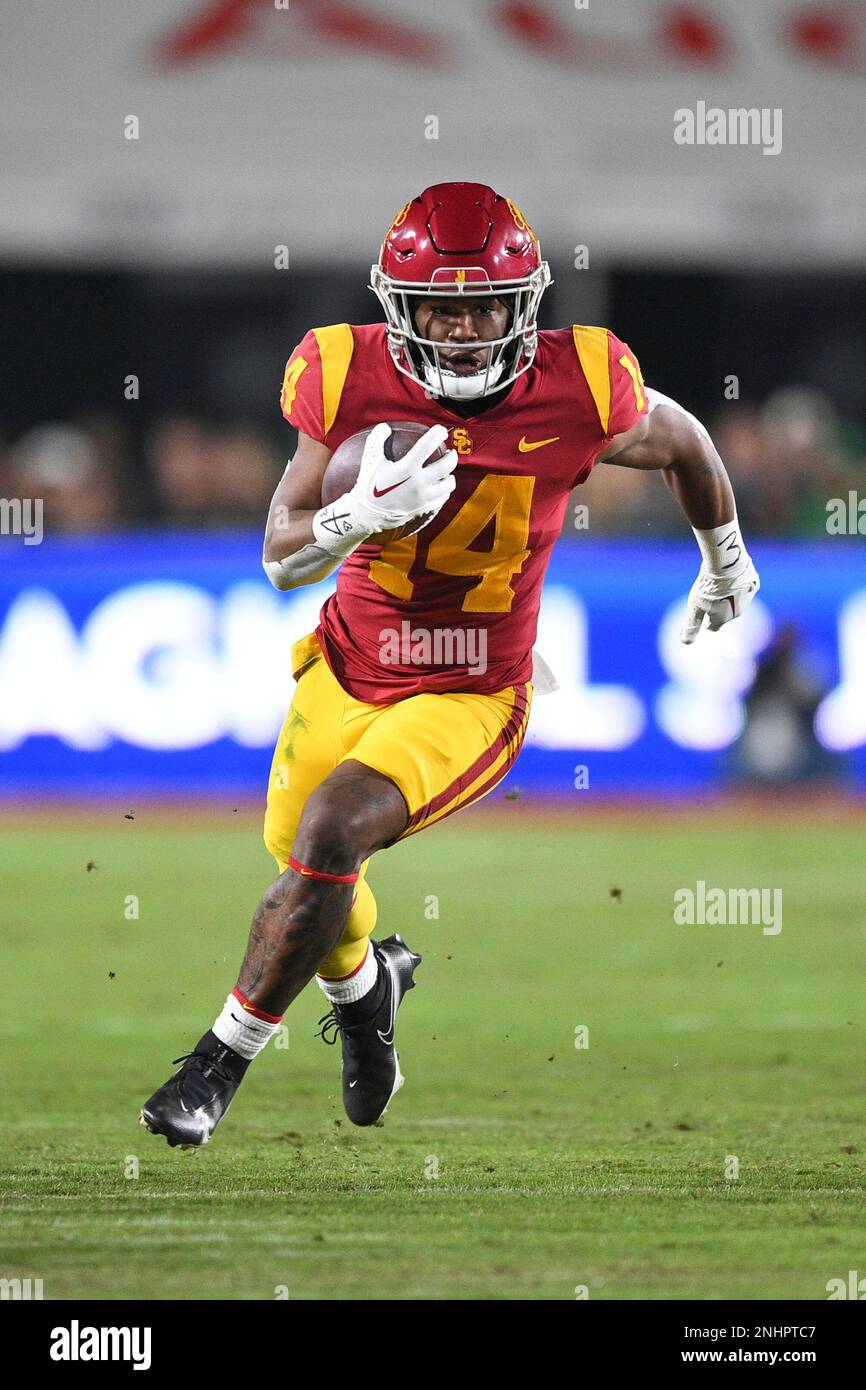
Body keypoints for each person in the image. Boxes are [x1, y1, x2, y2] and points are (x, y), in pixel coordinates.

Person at [141, 181, 760, 1147]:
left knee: (334, 829)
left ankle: (218, 1063)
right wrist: (359, 516)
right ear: (402, 306)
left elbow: (681, 437)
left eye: (485, 306)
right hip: (345, 666)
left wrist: (726, 557)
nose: (466, 329)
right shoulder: (342, 373)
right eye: (443, 306)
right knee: (310, 867)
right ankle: (368, 991)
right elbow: (279, 554)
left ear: (525, 306)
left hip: (471, 687)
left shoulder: (585, 382)